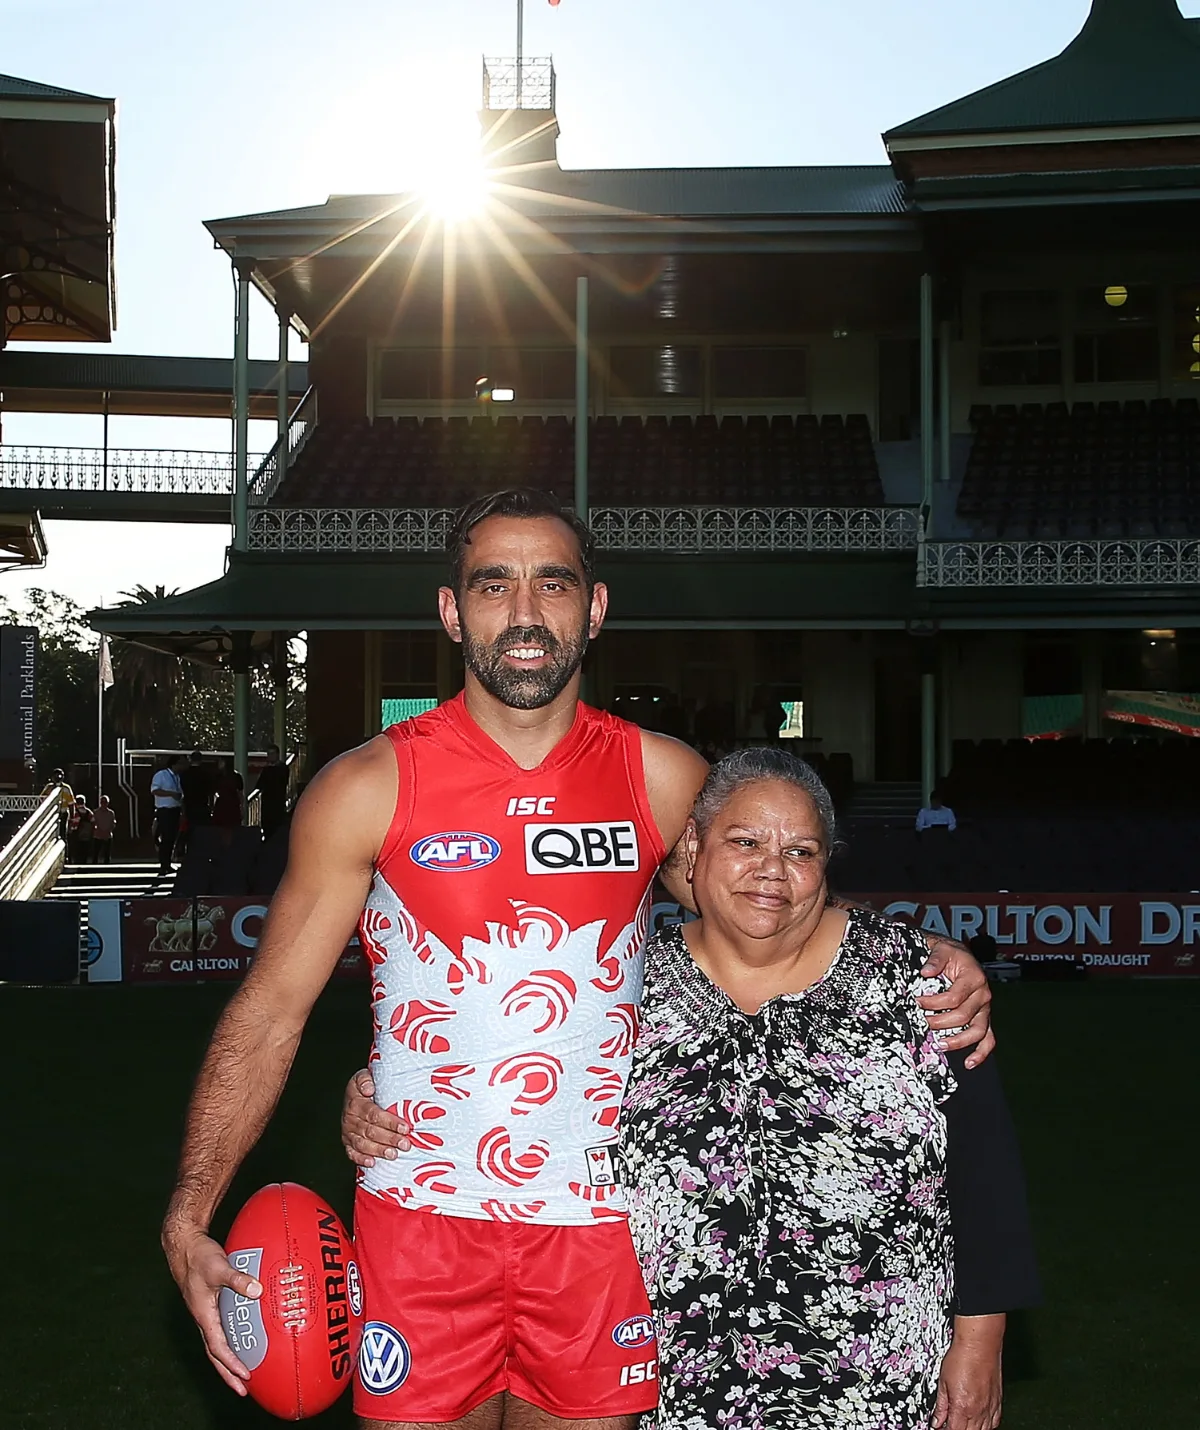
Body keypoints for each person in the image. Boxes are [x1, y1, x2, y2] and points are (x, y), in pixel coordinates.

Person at [160, 489, 993, 1430]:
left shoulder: (662, 777)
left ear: (594, 609)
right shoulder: (368, 785)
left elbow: (771, 914)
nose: (524, 613)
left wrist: (915, 952)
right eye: (494, 586)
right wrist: (189, 1218)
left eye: (552, 584)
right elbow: (272, 1009)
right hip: (420, 1220)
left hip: (601, 1226)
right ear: (451, 611)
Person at [344, 749, 1038, 1430]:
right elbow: (499, 1076)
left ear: (827, 864)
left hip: (877, 1378)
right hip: (679, 1380)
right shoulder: (621, 986)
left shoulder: (916, 981)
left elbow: (985, 1171)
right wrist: (375, 1096)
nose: (772, 869)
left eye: (801, 851)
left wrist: (980, 1343)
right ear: (694, 849)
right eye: (745, 842)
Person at [151, 754, 185, 875]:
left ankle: (168, 862)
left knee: (172, 838)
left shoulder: (177, 777)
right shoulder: (161, 775)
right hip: (165, 810)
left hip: (175, 809)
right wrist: (171, 794)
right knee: (166, 837)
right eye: (180, 763)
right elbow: (155, 790)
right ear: (174, 764)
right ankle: (163, 863)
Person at [253, 743, 289, 836]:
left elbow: (282, 782)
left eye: (272, 753)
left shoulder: (283, 768)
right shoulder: (266, 770)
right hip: (267, 803)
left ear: (277, 754)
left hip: (278, 802)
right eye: (269, 754)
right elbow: (260, 784)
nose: (270, 756)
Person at [180, 749, 213, 848]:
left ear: (190, 759)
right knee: (202, 831)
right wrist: (211, 806)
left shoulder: (184, 774)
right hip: (202, 805)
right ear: (201, 760)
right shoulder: (206, 774)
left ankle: (189, 849)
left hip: (189, 806)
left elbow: (181, 792)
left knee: (189, 830)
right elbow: (210, 792)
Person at [41, 768, 75, 842]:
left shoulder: (66, 788)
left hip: (63, 813)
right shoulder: (49, 787)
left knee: (62, 833)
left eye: (59, 776)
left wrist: (72, 818)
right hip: (51, 813)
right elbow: (42, 799)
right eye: (56, 776)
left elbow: (71, 804)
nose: (58, 778)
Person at [210, 758, 244, 829]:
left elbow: (213, 791)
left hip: (223, 804)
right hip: (233, 804)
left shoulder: (218, 777)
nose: (218, 764)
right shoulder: (237, 776)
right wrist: (242, 807)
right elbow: (240, 793)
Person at [66, 795, 94, 864]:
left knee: (75, 850)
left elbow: (71, 821)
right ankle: (84, 862)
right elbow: (93, 821)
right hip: (86, 834)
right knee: (85, 850)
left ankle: (75, 862)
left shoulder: (74, 812)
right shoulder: (88, 812)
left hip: (75, 833)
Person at [92, 794, 116, 864]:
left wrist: (108, 831)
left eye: (105, 802)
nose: (104, 804)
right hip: (98, 835)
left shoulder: (111, 813)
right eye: (102, 802)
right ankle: (94, 866)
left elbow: (113, 823)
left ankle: (106, 866)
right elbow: (94, 822)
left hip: (108, 835)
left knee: (107, 854)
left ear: (108, 803)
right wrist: (99, 830)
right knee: (96, 853)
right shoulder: (96, 812)